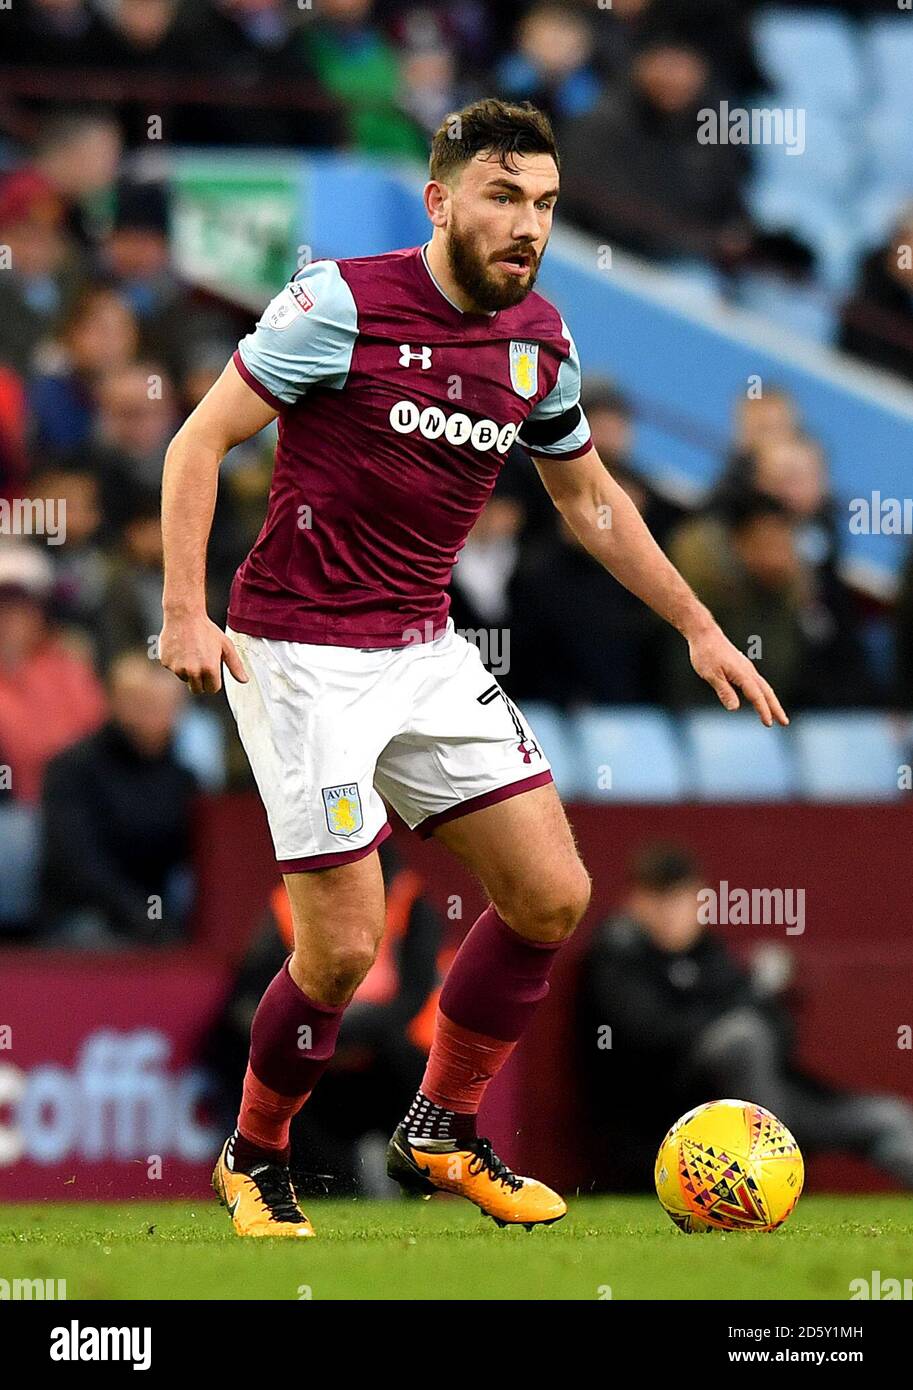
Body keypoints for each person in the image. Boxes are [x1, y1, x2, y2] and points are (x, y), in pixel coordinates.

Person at [159, 98, 786, 1239]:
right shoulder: (337, 304)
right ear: (441, 200)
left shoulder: (539, 340)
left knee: (552, 892)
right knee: (343, 947)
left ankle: (440, 1129)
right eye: (503, 197)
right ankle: (254, 1157)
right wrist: (183, 610)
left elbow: (590, 500)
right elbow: (196, 440)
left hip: (422, 644)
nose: (527, 224)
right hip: (297, 651)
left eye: (544, 203)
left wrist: (697, 623)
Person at [579, 843, 913, 1191]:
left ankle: (775, 1163)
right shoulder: (618, 955)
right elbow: (650, 1036)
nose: (671, 914)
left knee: (889, 1118)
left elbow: (779, 1034)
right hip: (675, 1121)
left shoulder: (712, 953)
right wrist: (736, 1009)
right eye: (659, 901)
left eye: (682, 901)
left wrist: (761, 992)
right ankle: (773, 1183)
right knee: (741, 1040)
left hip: (775, 1106)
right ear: (635, 902)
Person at [41, 649, 197, 946]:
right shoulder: (72, 770)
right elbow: (80, 867)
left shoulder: (183, 779)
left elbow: (199, 861)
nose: (155, 717)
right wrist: (143, 918)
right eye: (142, 704)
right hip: (84, 914)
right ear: (113, 701)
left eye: (165, 706)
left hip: (160, 915)